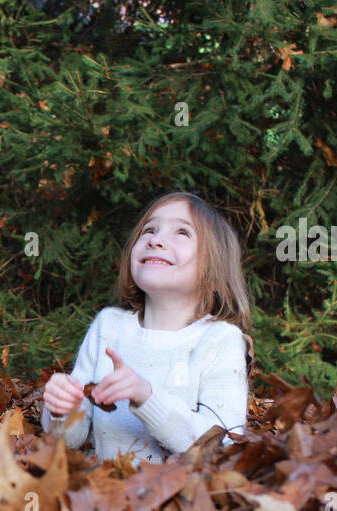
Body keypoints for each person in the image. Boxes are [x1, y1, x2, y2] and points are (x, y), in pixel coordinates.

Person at [40, 192, 252, 463]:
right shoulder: (108, 326)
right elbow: (71, 440)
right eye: (149, 230)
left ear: (215, 271)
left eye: (182, 233)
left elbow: (223, 447)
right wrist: (61, 410)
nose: (156, 239)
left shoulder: (220, 339)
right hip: (103, 494)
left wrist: (147, 398)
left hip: (181, 500)